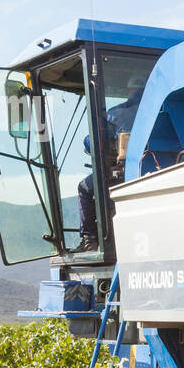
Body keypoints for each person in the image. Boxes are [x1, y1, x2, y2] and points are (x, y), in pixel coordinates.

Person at [74, 86, 143, 253]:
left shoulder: (117, 113)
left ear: (130, 90)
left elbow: (94, 141)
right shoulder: (158, 111)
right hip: (152, 168)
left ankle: (90, 239)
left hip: (121, 170)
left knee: (84, 187)